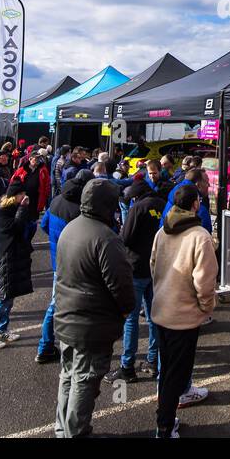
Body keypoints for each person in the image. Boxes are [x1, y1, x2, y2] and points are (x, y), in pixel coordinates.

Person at [53, 178, 136, 438]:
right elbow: (121, 284)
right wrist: (127, 309)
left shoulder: (71, 228)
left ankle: (63, 430)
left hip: (66, 318)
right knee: (85, 381)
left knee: (68, 375)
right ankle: (76, 433)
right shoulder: (105, 238)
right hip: (90, 325)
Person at [150, 184, 218, 438]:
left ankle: (166, 419)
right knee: (175, 376)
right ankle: (165, 427)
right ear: (195, 204)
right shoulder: (200, 236)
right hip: (184, 318)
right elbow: (205, 282)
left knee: (167, 370)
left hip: (161, 310)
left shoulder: (162, 232)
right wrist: (206, 307)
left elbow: (153, 264)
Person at [35, 168, 94, 364]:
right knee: (80, 307)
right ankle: (76, 349)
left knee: (55, 305)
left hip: (57, 263)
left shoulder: (56, 200)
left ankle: (45, 346)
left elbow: (44, 225)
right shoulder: (82, 209)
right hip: (77, 265)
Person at [113, 175, 166, 383]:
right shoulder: (162, 204)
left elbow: (125, 238)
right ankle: (153, 360)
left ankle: (127, 366)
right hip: (156, 267)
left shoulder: (138, 208)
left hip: (136, 268)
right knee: (154, 317)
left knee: (131, 319)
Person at [0, 179, 36, 350]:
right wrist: (23, 209)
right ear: (14, 196)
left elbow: (26, 227)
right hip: (6, 258)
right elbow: (16, 228)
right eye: (21, 194)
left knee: (10, 297)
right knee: (4, 298)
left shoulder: (14, 209)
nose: (24, 196)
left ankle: (1, 330)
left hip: (15, 257)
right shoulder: (2, 213)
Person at [159, 167, 212, 233]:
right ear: (198, 185)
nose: (209, 185)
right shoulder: (199, 209)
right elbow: (205, 235)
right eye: (207, 182)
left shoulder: (174, 196)